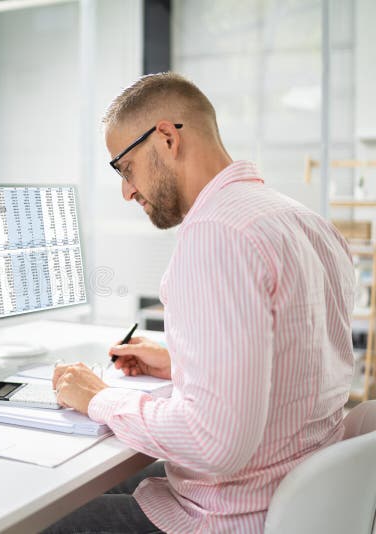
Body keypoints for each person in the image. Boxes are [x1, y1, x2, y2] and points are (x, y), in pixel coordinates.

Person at [46, 72, 355, 533]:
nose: (126, 191)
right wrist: (182, 365)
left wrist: (98, 398)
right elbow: (299, 367)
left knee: (38, 517)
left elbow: (215, 443)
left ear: (167, 137)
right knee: (96, 486)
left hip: (230, 516)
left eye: (124, 168)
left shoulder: (217, 236)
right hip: (305, 503)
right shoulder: (305, 222)